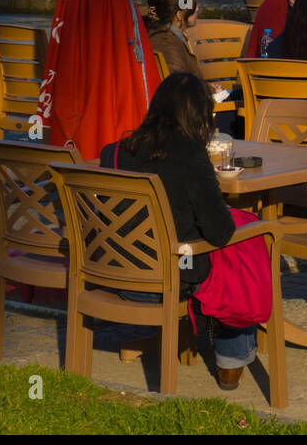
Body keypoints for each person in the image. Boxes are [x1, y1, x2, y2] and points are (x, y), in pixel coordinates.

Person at [99, 73, 257, 391]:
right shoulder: (190, 156)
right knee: (244, 240)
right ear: (201, 115)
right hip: (172, 275)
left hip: (116, 271)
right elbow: (220, 232)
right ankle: (231, 357)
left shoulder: (113, 152)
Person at [144, 0, 203, 79]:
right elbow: (180, 85)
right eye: (193, 5)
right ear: (179, 15)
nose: (197, 8)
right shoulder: (167, 43)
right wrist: (210, 90)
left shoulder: (158, 33)